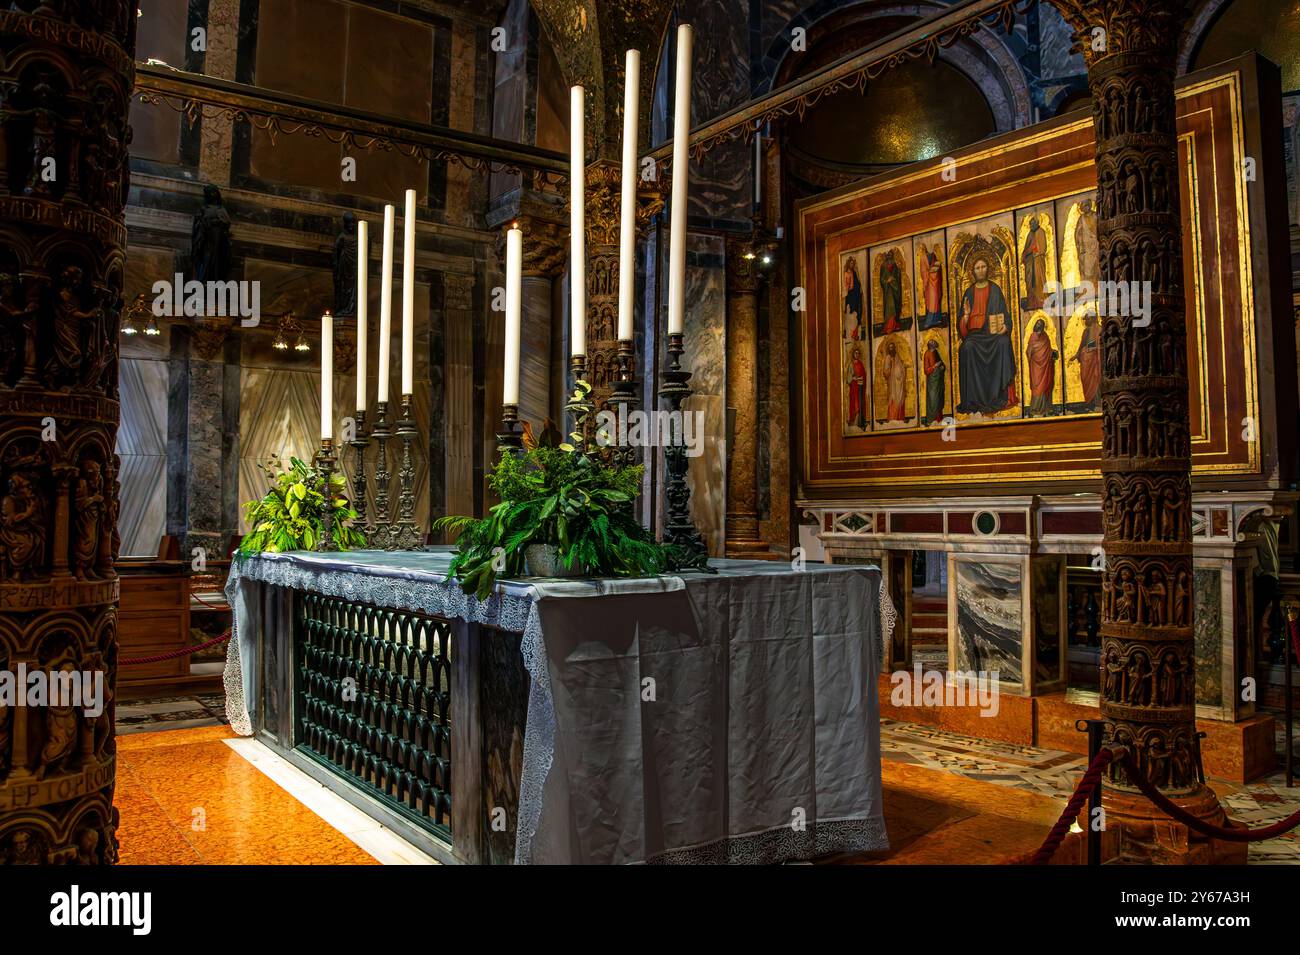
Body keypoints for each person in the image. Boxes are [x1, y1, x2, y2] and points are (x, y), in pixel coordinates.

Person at [956, 257, 1017, 414]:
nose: (981, 270)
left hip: (993, 334)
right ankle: (973, 400)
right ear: (973, 271)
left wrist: (1005, 327)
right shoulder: (969, 292)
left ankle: (1001, 396)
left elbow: (1007, 317)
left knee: (1003, 342)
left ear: (987, 269)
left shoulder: (995, 289)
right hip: (975, 336)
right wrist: (967, 316)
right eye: (977, 268)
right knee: (966, 348)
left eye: (983, 267)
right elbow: (961, 328)